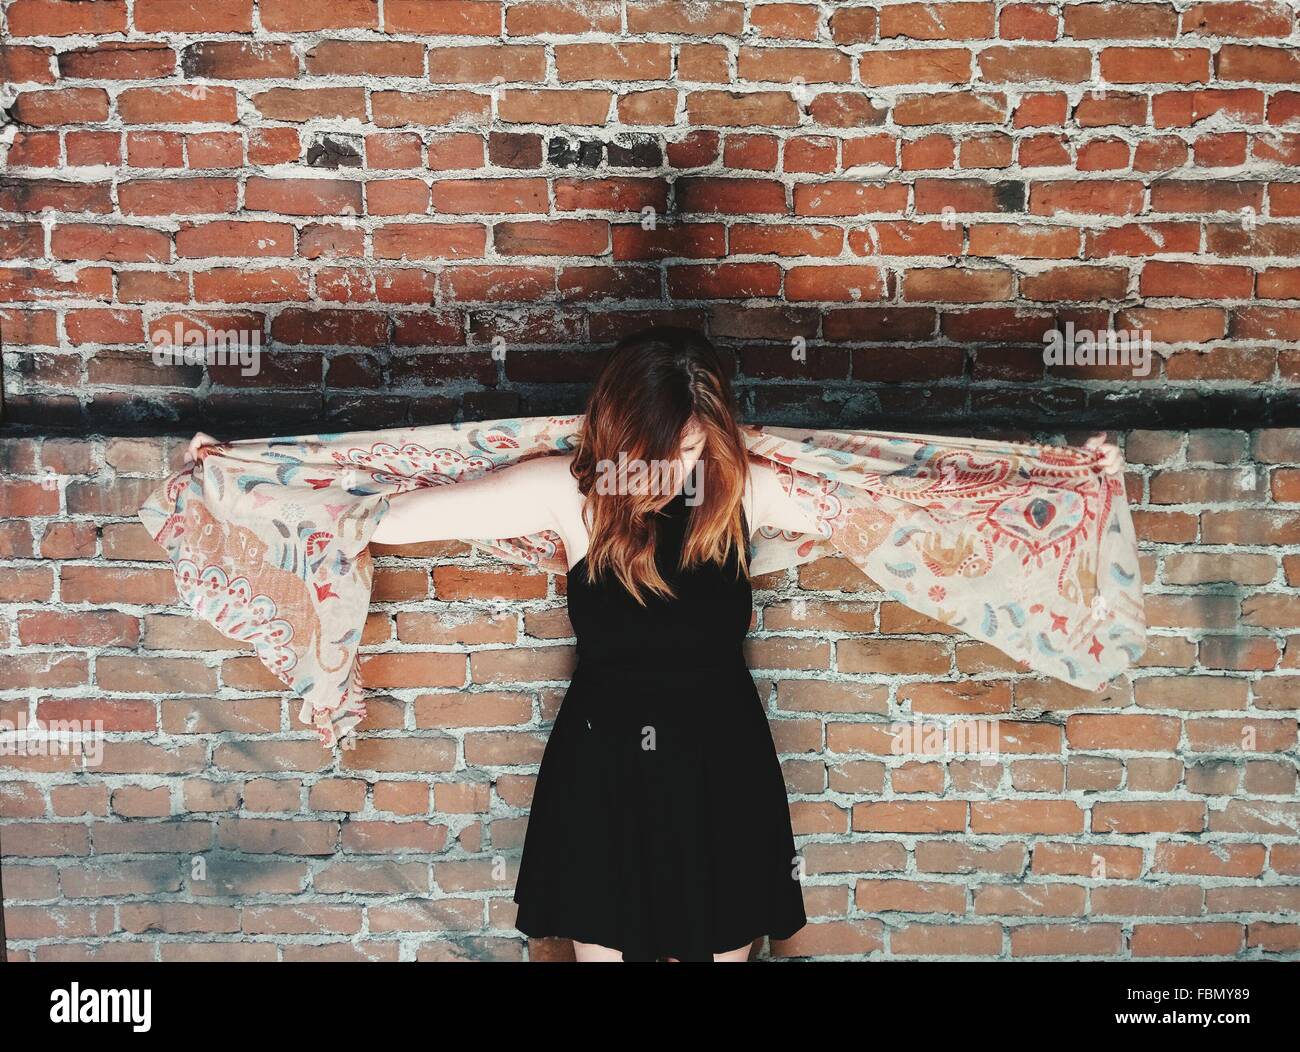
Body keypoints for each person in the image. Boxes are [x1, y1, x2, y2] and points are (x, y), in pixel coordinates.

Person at [185, 325, 1122, 962]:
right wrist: (238, 477)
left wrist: (1069, 479)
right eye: (667, 448)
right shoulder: (568, 492)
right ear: (623, 431)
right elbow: (389, 516)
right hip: (607, 769)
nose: (682, 469)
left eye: (697, 448)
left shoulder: (743, 490)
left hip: (722, 765)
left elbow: (911, 501)